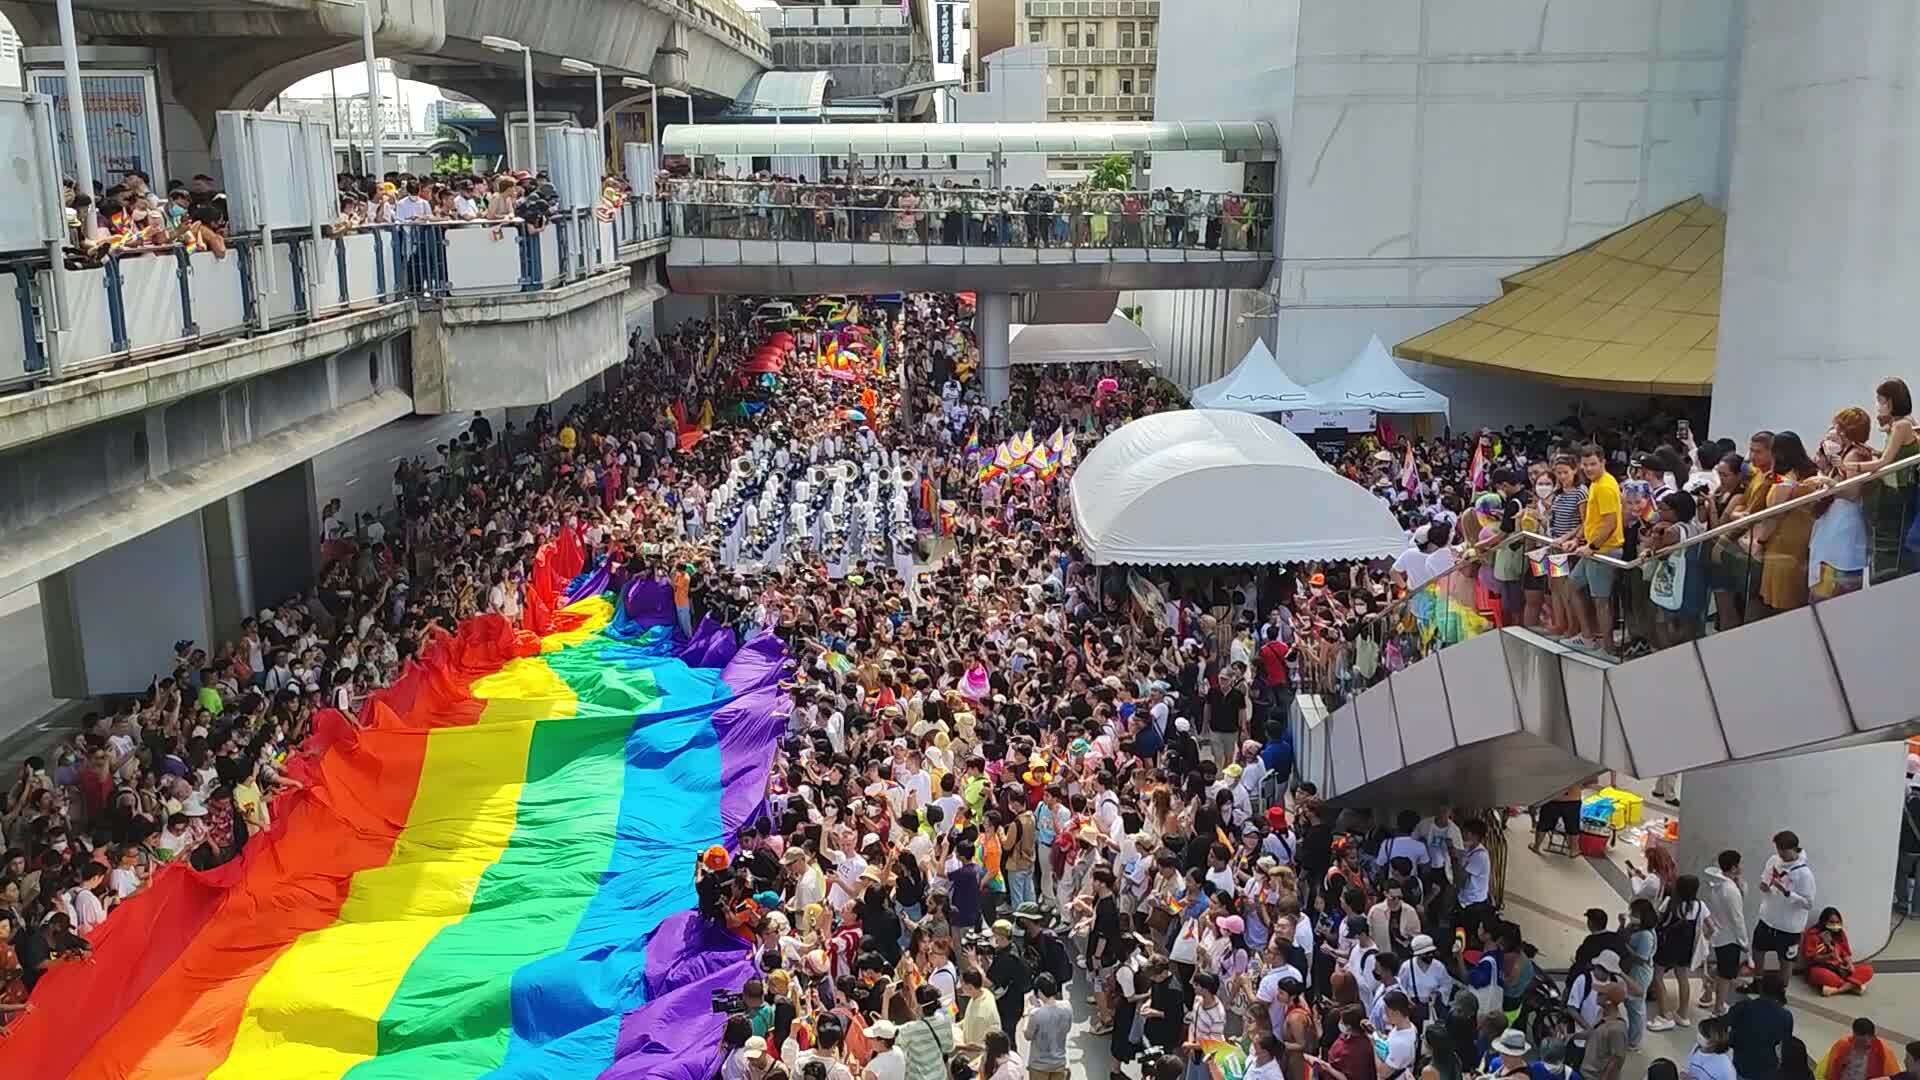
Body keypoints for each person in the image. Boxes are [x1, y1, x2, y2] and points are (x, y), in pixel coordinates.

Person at [1744, 831, 1815, 989]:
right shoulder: (1774, 860)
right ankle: (1757, 982)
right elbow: (1766, 878)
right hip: (1767, 919)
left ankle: (1780, 991)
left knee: (1786, 960)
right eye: (1778, 850)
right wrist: (1764, 885)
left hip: (1789, 927)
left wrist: (1787, 893)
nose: (1780, 854)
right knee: (1757, 950)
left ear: (1794, 849)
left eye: (1784, 851)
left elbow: (1808, 903)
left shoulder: (1804, 874)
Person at [1700, 850, 1748, 1019]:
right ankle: (1719, 1007)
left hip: (1719, 934)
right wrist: (1744, 941)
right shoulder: (1730, 890)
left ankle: (1707, 991)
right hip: (1730, 937)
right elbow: (1738, 918)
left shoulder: (1718, 884)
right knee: (1726, 975)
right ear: (1734, 867)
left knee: (1719, 968)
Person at [1727, 974, 1794, 1080]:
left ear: (1760, 988)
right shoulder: (1786, 1016)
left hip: (1743, 1066)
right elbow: (1786, 1045)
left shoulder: (1743, 1007)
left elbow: (1723, 1026)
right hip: (1768, 1069)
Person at [1801, 907, 1873, 996]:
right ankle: (1853, 985)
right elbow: (1810, 958)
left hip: (1841, 969)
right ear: (1824, 922)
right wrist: (1828, 956)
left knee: (1868, 969)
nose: (1835, 925)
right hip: (1821, 968)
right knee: (1825, 976)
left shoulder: (1840, 933)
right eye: (1831, 922)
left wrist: (1849, 965)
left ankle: (1835, 990)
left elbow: (1846, 953)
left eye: (1837, 922)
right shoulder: (1813, 934)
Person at [1023, 972, 1072, 1080]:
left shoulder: (1036, 1014)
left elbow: (1027, 1035)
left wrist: (1028, 1013)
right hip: (1059, 1063)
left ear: (1039, 992)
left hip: (1039, 1065)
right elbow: (1067, 1029)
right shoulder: (1067, 1006)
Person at [1580, 982, 1630, 1080]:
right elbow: (1593, 1033)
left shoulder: (1617, 1029)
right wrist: (1572, 1036)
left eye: (1601, 994)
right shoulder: (1601, 1013)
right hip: (1586, 1072)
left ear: (1609, 1001)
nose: (1597, 995)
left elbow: (1616, 1060)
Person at [1818, 1019, 1899, 1080]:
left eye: (1865, 1042)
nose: (1862, 1045)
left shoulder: (1884, 1052)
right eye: (1859, 1041)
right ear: (1854, 1034)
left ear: (1873, 1037)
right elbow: (1832, 1070)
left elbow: (1892, 1075)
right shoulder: (1842, 1046)